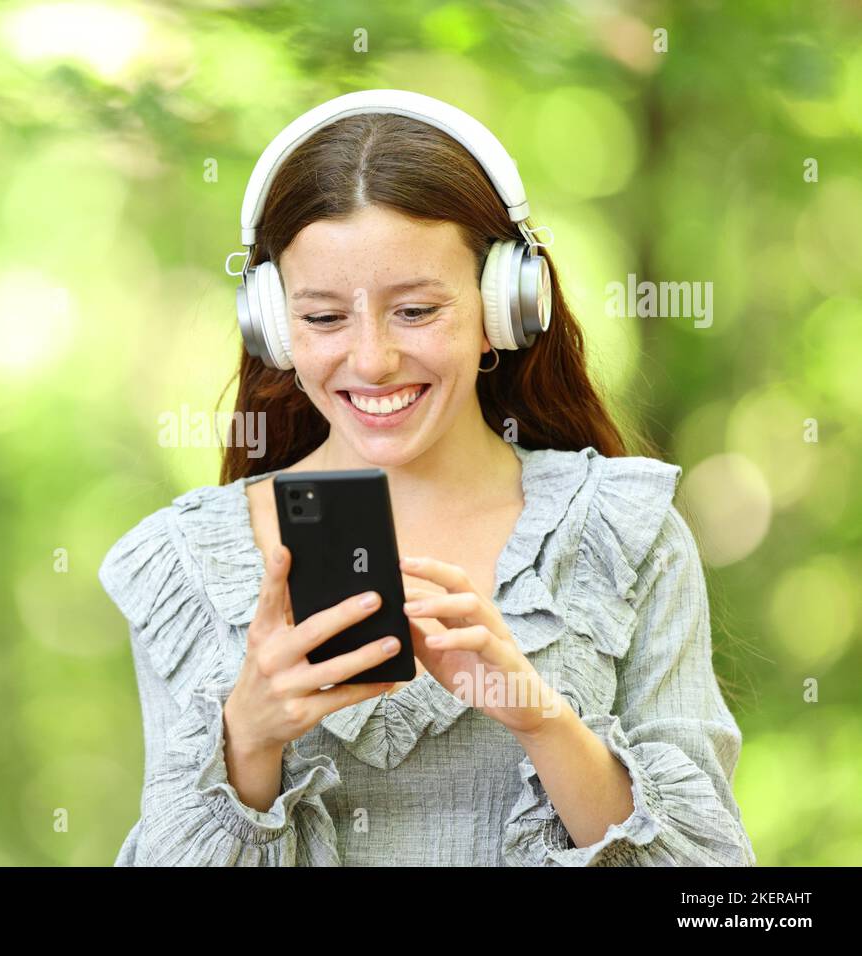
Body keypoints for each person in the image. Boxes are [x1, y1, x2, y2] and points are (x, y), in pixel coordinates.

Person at [98, 90, 756, 866]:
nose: (372, 359)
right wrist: (247, 742)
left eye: (415, 311)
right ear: (274, 328)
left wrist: (539, 716)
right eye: (322, 318)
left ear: (502, 308)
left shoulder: (625, 533)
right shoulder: (184, 567)